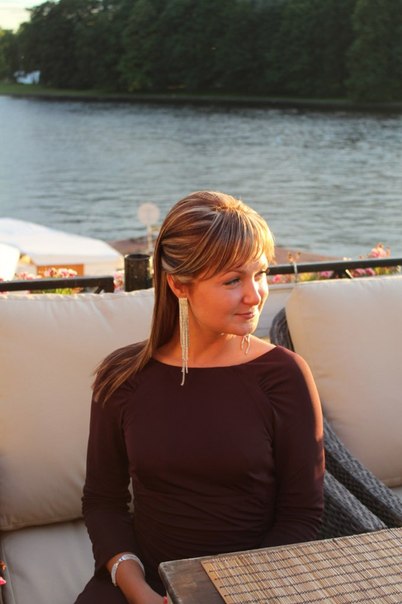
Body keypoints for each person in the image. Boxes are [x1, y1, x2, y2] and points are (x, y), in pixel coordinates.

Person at [75, 191, 324, 604]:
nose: (255, 295)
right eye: (232, 280)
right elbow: (103, 502)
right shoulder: (122, 378)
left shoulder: (284, 376)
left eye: (260, 273)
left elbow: (301, 515)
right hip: (141, 589)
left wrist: (232, 594)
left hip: (253, 589)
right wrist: (140, 592)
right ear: (178, 284)